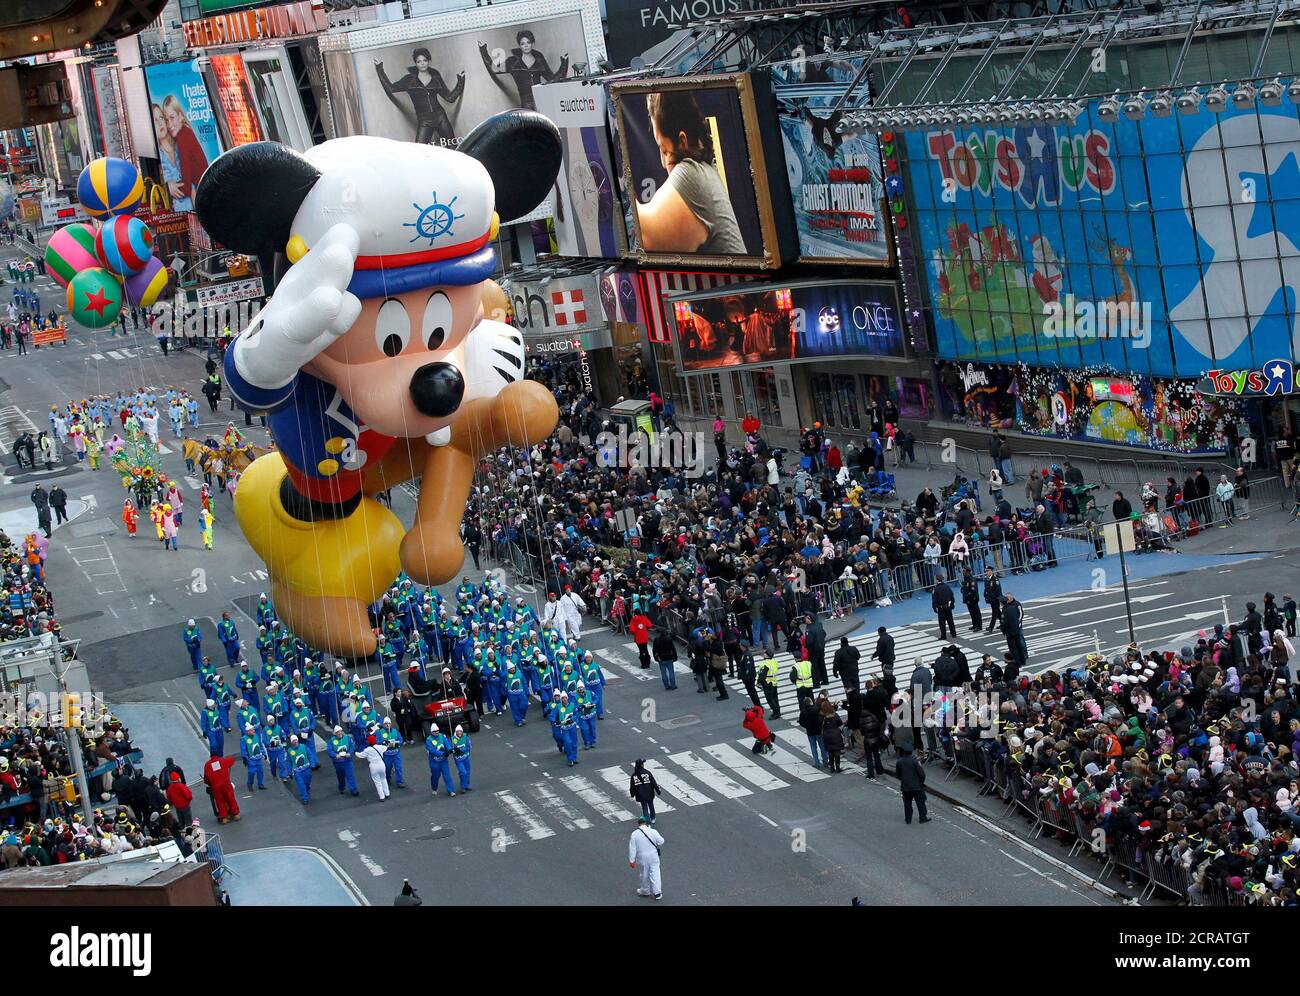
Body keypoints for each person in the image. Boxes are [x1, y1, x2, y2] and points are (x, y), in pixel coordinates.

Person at [634, 89, 746, 255]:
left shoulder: (692, 174)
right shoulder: (703, 172)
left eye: (665, 151)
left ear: (682, 141)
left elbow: (642, 236)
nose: (663, 164)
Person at [373, 48, 464, 146]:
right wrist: (379, 68)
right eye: (419, 61)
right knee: (419, 150)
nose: (422, 63)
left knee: (453, 146)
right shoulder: (409, 80)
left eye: (425, 60)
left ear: (428, 61)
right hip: (424, 120)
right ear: (416, 63)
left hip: (440, 117)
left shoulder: (435, 77)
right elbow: (391, 88)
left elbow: (450, 98)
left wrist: (461, 81)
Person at [477, 30, 568, 110]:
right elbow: (494, 68)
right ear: (519, 46)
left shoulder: (539, 58)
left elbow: (551, 79)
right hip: (527, 102)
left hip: (542, 98)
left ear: (532, 43)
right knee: (532, 125)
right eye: (522, 43)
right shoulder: (513, 61)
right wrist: (483, 50)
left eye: (528, 42)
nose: (526, 46)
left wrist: (563, 65)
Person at [628, 817, 664, 900]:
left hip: (642, 857)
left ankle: (645, 890)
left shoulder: (634, 834)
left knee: (644, 874)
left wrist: (632, 861)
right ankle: (657, 893)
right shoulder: (653, 831)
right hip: (654, 856)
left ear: (639, 824)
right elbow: (661, 841)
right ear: (647, 823)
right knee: (655, 873)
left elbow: (632, 848)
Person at [202, 752, 240, 824]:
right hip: (226, 784)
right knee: (230, 799)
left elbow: (206, 779)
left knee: (220, 801)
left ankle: (224, 817)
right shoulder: (223, 760)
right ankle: (235, 814)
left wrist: (211, 783)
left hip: (216, 787)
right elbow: (231, 760)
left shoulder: (207, 765)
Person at [896, 747, 930, 824]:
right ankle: (922, 818)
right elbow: (922, 775)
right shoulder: (915, 762)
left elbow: (898, 775)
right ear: (911, 752)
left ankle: (908, 819)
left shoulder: (899, 762)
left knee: (907, 803)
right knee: (920, 802)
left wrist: (904, 780)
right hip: (917, 786)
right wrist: (920, 783)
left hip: (905, 786)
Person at [327, 726, 360, 797]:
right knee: (340, 776)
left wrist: (349, 753)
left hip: (347, 761)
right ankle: (341, 787)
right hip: (338, 762)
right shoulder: (331, 741)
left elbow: (352, 746)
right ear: (335, 733)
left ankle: (354, 790)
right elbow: (329, 750)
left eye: (340, 731)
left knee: (350, 775)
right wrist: (335, 755)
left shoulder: (347, 738)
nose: (339, 733)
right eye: (337, 732)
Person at [425, 725, 455, 797]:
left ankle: (451, 791)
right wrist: (443, 753)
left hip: (443, 761)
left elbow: (447, 743)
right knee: (436, 776)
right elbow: (432, 750)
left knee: (447, 775)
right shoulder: (429, 740)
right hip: (434, 762)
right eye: (435, 731)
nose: (437, 732)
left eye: (437, 730)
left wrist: (449, 750)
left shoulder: (442, 736)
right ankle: (434, 788)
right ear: (431, 732)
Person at [628, 758, 661, 823]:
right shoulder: (647, 773)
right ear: (642, 765)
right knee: (651, 805)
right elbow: (653, 783)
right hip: (649, 792)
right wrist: (658, 790)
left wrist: (632, 794)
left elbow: (632, 787)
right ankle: (653, 818)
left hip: (640, 795)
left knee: (644, 807)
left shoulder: (634, 775)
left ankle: (647, 820)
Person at [359, 735, 390, 800]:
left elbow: (360, 755)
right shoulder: (380, 747)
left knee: (377, 781)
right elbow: (386, 747)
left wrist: (356, 753)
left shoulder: (367, 750)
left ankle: (382, 797)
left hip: (373, 766)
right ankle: (387, 793)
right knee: (383, 779)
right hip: (381, 764)